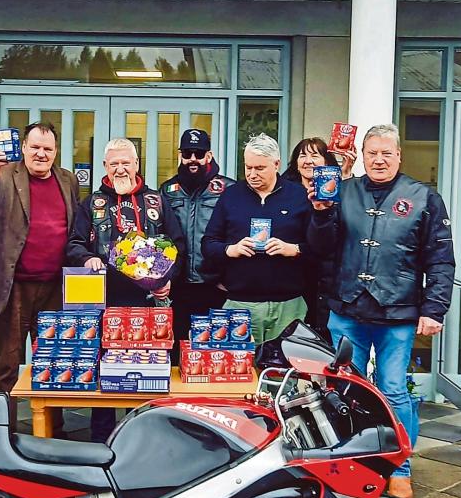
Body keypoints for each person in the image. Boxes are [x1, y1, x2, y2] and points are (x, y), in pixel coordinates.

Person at [307, 123, 455, 498]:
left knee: (392, 389)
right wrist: (321, 212)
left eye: (386, 153)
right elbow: (321, 247)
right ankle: (352, 461)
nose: (379, 160)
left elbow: (440, 259)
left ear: (399, 156)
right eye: (372, 153)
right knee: (346, 391)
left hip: (398, 313)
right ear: (363, 155)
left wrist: (435, 308)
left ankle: (399, 467)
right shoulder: (343, 190)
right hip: (347, 308)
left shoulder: (424, 197)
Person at [66, 137, 186, 442]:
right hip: (104, 302)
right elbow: (74, 244)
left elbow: (178, 245)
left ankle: (147, 438)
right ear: (105, 166)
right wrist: (87, 257)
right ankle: (101, 440)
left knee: (149, 369)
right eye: (114, 163)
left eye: (126, 163)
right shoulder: (91, 204)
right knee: (104, 370)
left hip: (148, 301)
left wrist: (168, 279)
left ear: (137, 164)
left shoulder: (156, 201)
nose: (120, 169)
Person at [0, 122, 80, 403]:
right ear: (24, 147)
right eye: (35, 147)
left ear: (56, 151)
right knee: (7, 367)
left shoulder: (68, 180)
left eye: (47, 148)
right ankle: (5, 425)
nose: (41, 153)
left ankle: (51, 425)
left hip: (55, 289)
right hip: (13, 287)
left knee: (53, 364)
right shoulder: (4, 175)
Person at [202, 133, 311, 344]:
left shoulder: (299, 196)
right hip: (240, 302)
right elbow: (208, 244)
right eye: (248, 167)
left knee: (285, 364)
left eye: (259, 168)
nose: (252, 174)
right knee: (240, 364)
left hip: (288, 304)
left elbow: (319, 247)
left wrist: (294, 249)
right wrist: (231, 250)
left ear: (276, 164)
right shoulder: (231, 196)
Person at [159, 128, 235, 351]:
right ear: (180, 155)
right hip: (177, 284)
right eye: (187, 153)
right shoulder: (168, 190)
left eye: (199, 154)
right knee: (176, 347)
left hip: (214, 284)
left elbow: (236, 234)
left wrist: (228, 278)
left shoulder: (228, 189)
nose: (193, 159)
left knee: (212, 350)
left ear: (209, 156)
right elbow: (161, 235)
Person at [282, 137, 357, 336]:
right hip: (293, 278)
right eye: (302, 156)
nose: (308, 161)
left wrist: (345, 177)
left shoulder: (338, 190)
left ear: (326, 162)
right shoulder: (284, 192)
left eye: (315, 155)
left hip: (330, 280)